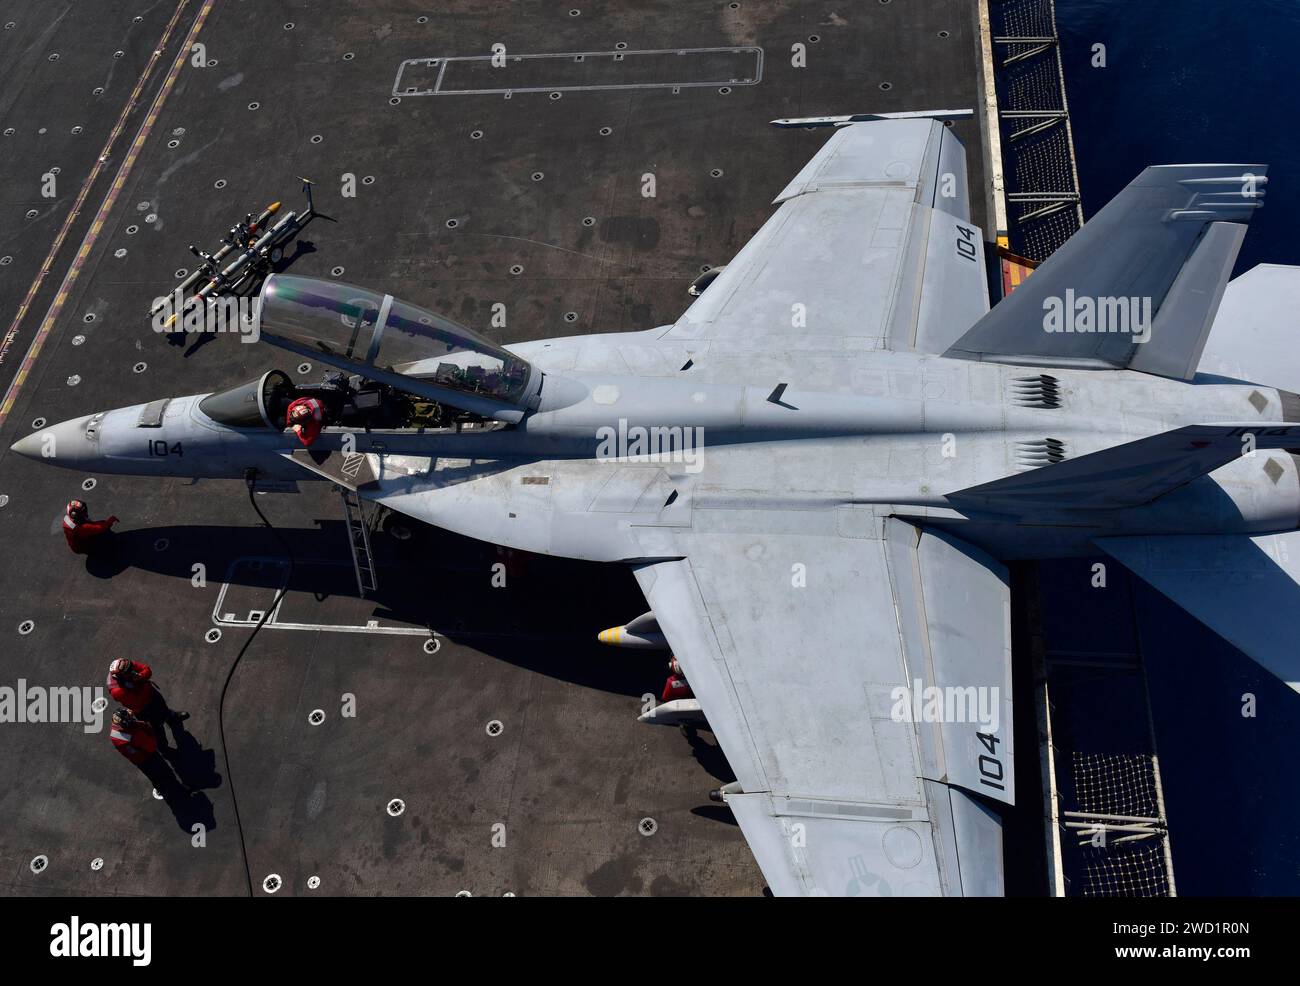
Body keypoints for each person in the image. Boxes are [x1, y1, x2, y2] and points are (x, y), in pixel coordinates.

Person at [107, 659, 189, 731]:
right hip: (143, 709)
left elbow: (146, 669)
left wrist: (141, 676)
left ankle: (171, 718)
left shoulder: (125, 665)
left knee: (163, 708)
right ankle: (163, 746)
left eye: (131, 667)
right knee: (157, 727)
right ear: (121, 676)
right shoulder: (117, 691)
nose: (132, 670)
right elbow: (138, 701)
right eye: (129, 671)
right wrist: (142, 682)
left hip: (151, 694)